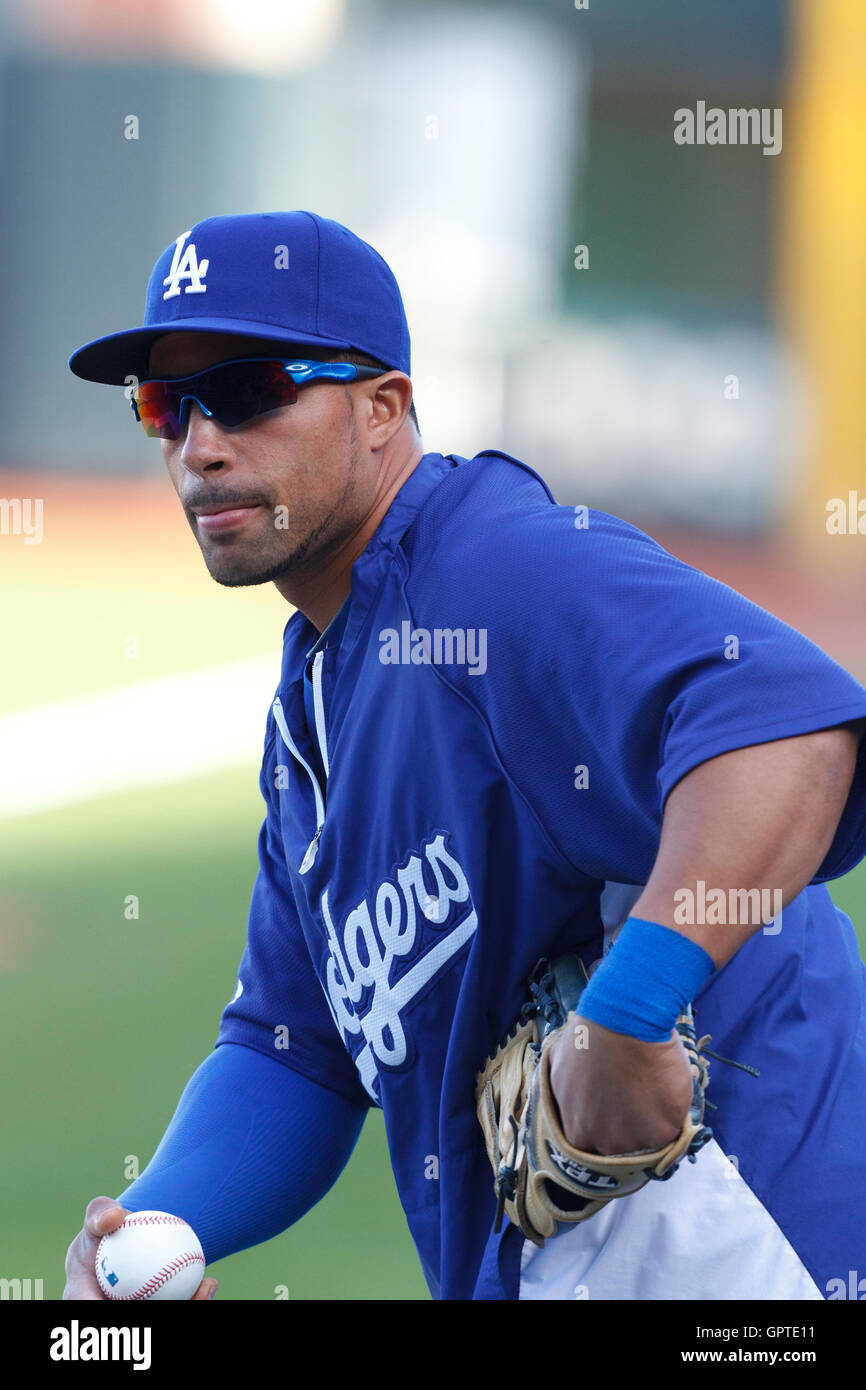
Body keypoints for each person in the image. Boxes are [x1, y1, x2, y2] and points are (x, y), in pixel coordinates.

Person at [64, 211, 866, 1301]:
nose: (199, 446)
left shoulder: (492, 571)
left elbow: (788, 729)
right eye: (166, 405)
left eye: (247, 392)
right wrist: (159, 1219)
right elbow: (294, 1048)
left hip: (769, 1268)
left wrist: (630, 1009)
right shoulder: (310, 710)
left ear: (382, 407)